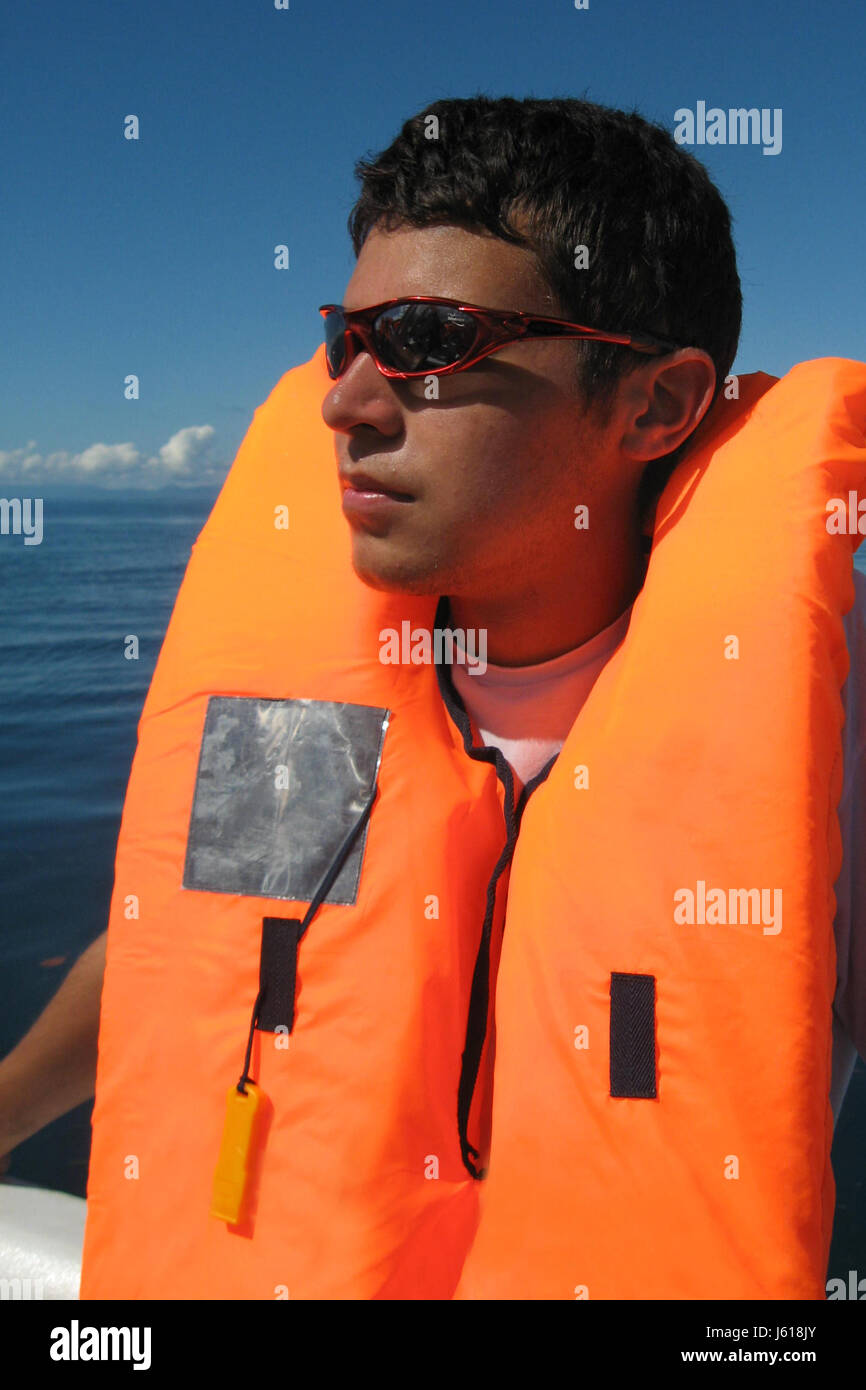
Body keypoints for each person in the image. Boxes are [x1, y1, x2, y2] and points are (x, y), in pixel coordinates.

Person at [2, 96, 864, 1299]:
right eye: (344, 343)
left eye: (426, 339)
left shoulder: (826, 729)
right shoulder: (325, 683)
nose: (346, 405)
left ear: (654, 406)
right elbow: (196, 952)